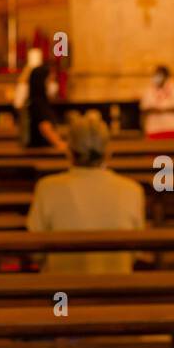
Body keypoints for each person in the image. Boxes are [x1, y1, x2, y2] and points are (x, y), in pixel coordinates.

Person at [27, 111, 145, 275]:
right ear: (107, 152)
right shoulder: (132, 190)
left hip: (61, 294)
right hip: (116, 290)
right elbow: (136, 252)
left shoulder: (47, 188)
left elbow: (35, 252)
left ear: (69, 151)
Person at [23, 62, 67, 151]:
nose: (52, 82)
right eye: (49, 80)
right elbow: (45, 127)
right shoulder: (38, 102)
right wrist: (60, 144)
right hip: (40, 151)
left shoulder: (38, 100)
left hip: (42, 149)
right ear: (41, 81)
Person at [139, 64, 174, 139]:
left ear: (166, 76)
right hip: (154, 130)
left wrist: (164, 109)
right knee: (154, 150)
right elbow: (144, 110)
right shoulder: (149, 90)